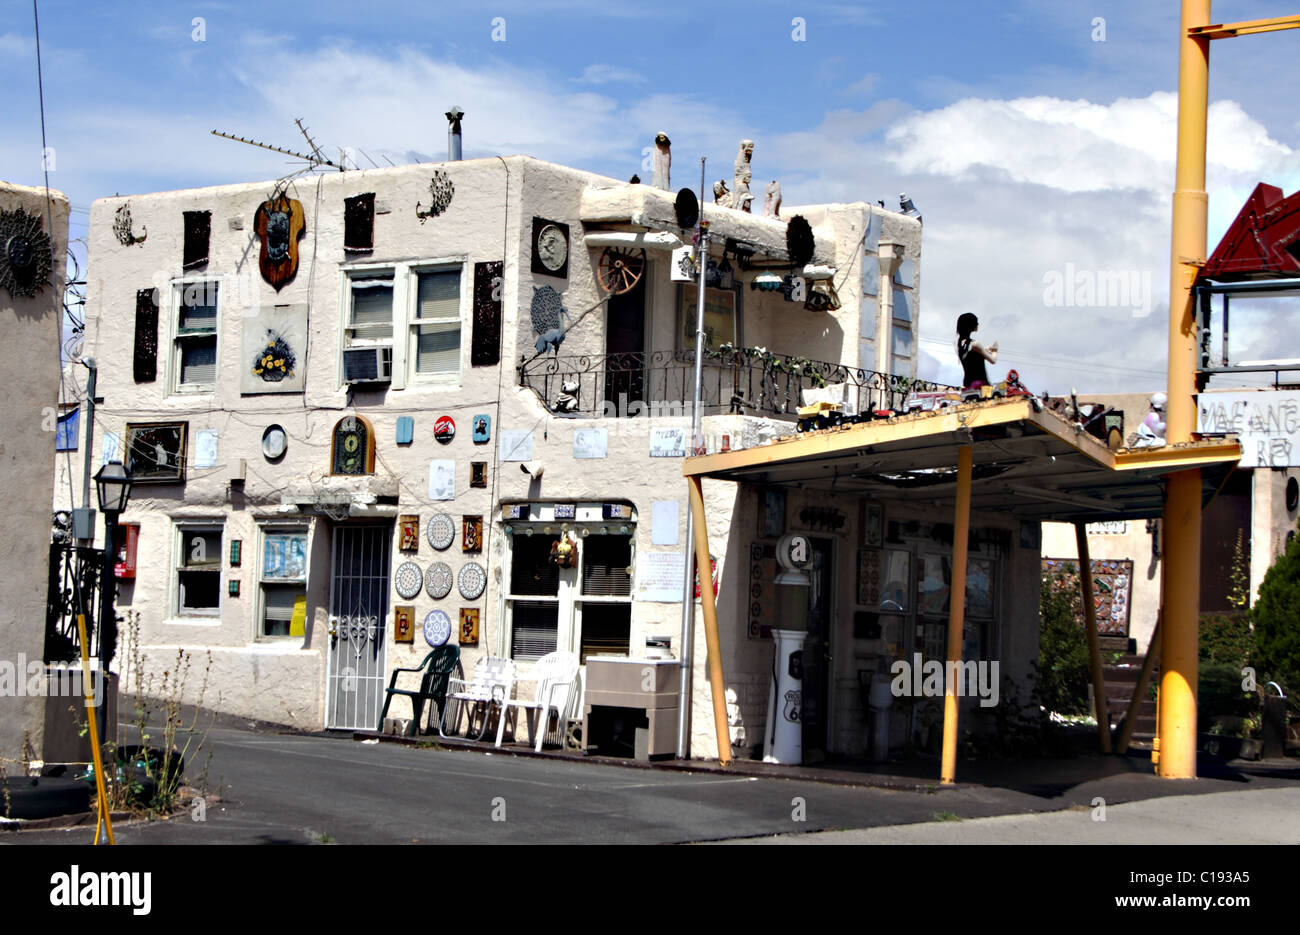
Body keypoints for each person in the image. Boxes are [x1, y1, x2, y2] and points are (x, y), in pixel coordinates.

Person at [956, 312, 998, 389]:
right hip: (980, 384)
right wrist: (995, 351)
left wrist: (985, 349)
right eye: (976, 322)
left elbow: (972, 357)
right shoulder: (975, 344)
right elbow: (993, 360)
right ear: (970, 325)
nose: (978, 324)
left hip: (967, 384)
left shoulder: (959, 344)